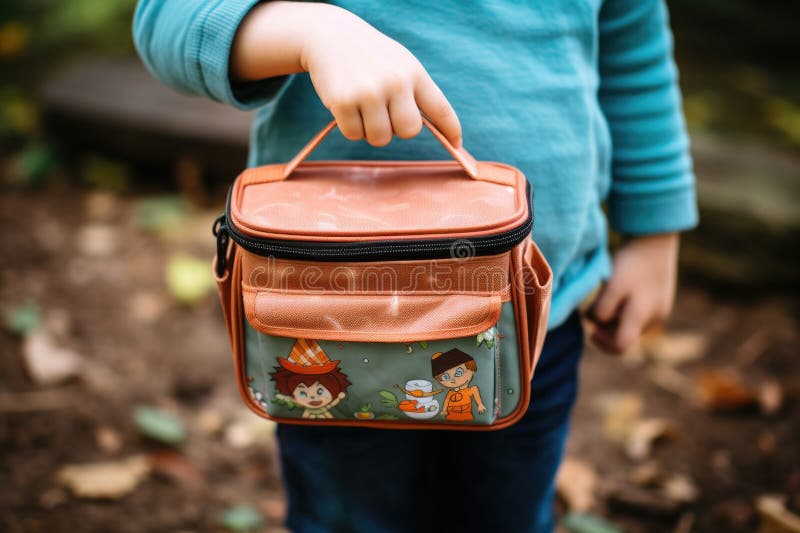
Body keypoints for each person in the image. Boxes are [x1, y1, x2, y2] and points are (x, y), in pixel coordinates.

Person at [133, 1, 697, 531]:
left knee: (506, 513)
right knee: (347, 517)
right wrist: (311, 31)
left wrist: (655, 230)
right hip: (323, 333)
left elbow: (630, 42)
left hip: (526, 318)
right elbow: (167, 19)